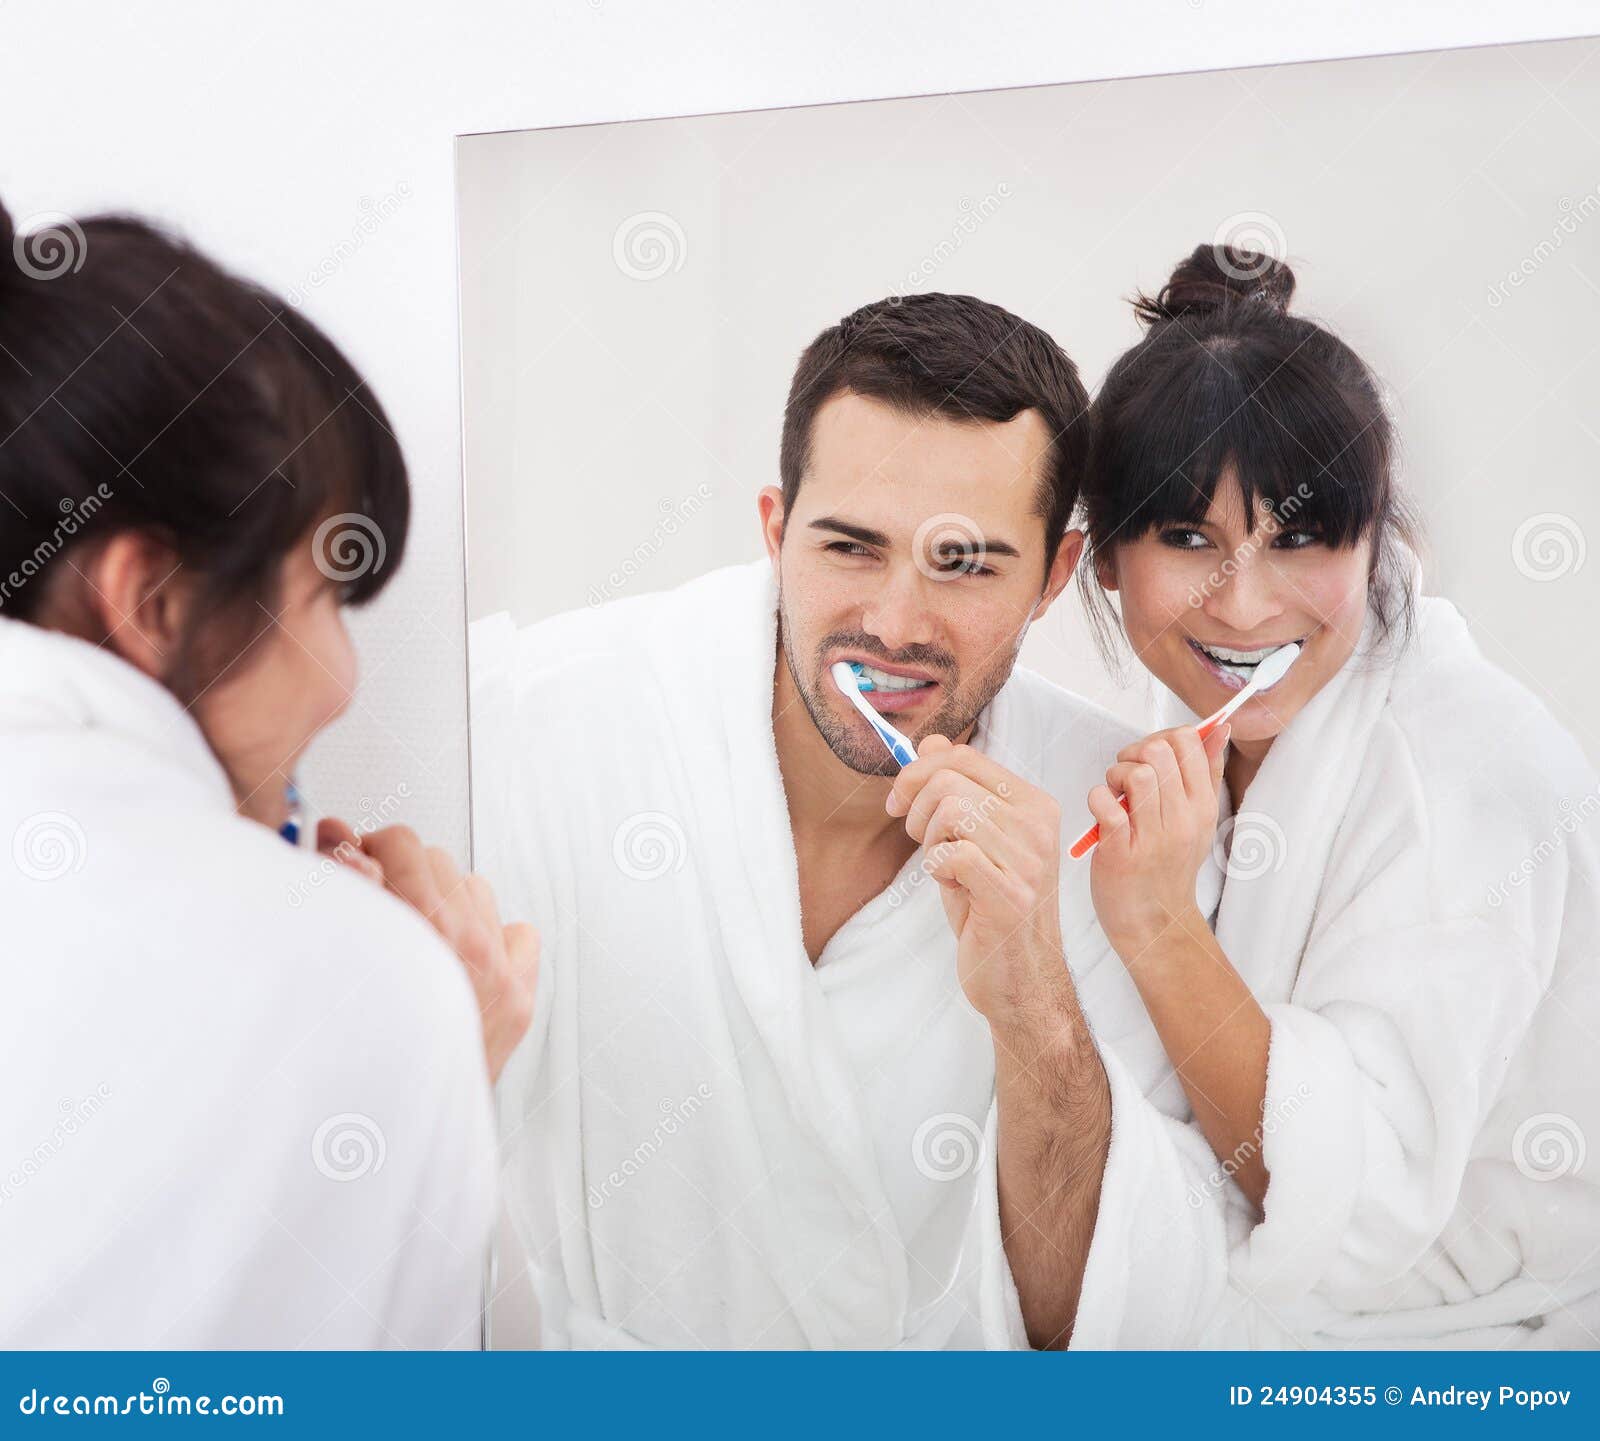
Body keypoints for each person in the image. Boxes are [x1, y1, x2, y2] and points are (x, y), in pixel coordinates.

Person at [472, 293, 1242, 1349]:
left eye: (963, 562)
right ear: (775, 531)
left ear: (1055, 577)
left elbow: (1106, 1332)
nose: (893, 623)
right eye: (848, 547)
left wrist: (1033, 1002)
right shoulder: (545, 727)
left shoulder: (1118, 824)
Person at [0, 199, 537, 1347]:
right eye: (325, 598)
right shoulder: (359, 989)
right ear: (154, 599)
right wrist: (416, 1057)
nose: (343, 682)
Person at [1076, 243, 1600, 1346]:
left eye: (1301, 537)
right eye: (1186, 538)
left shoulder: (1459, 778)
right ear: (1106, 558)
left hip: (1484, 1345)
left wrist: (1160, 925)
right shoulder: (1228, 729)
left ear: (1374, 544)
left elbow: (1349, 1212)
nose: (1245, 604)